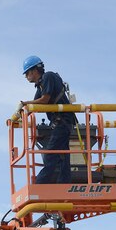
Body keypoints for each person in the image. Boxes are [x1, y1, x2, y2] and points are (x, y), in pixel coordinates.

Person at [20, 55, 75, 184]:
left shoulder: (48, 77)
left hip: (62, 122)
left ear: (34, 70)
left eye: (27, 73)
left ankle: (40, 185)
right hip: (62, 122)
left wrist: (25, 104)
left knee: (50, 154)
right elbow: (35, 105)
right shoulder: (41, 85)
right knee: (63, 156)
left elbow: (44, 100)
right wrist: (21, 114)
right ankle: (64, 185)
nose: (26, 76)